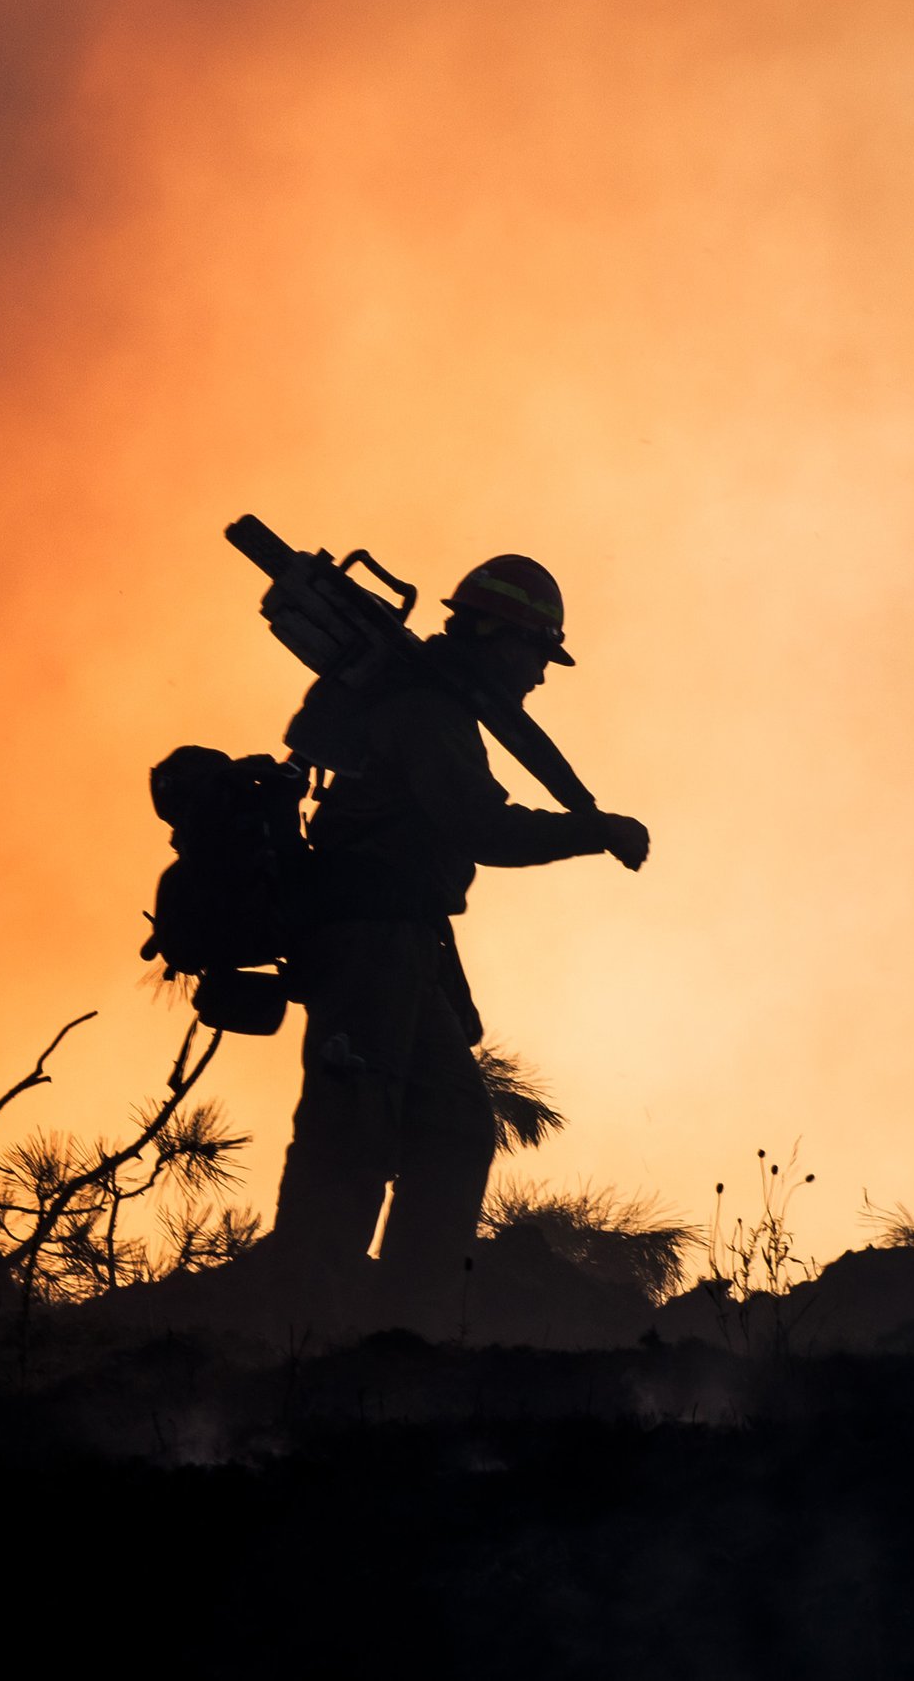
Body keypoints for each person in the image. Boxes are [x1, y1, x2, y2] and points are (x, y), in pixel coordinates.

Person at [265, 555, 648, 1327]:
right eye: (537, 653)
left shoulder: (431, 705)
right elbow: (481, 826)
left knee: (454, 1128)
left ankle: (405, 1337)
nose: (538, 676)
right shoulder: (424, 712)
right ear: (498, 638)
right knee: (352, 1138)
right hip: (370, 944)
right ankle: (295, 1342)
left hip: (402, 946)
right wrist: (592, 830)